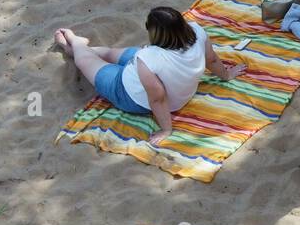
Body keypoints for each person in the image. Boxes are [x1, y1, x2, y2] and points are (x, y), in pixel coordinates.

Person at [54, 8, 244, 145]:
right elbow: (211, 60)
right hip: (148, 69)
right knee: (111, 53)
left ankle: (77, 44)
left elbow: (157, 98)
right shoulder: (197, 31)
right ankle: (80, 49)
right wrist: (227, 75)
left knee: (84, 61)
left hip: (127, 92)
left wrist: (166, 129)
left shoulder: (149, 57)